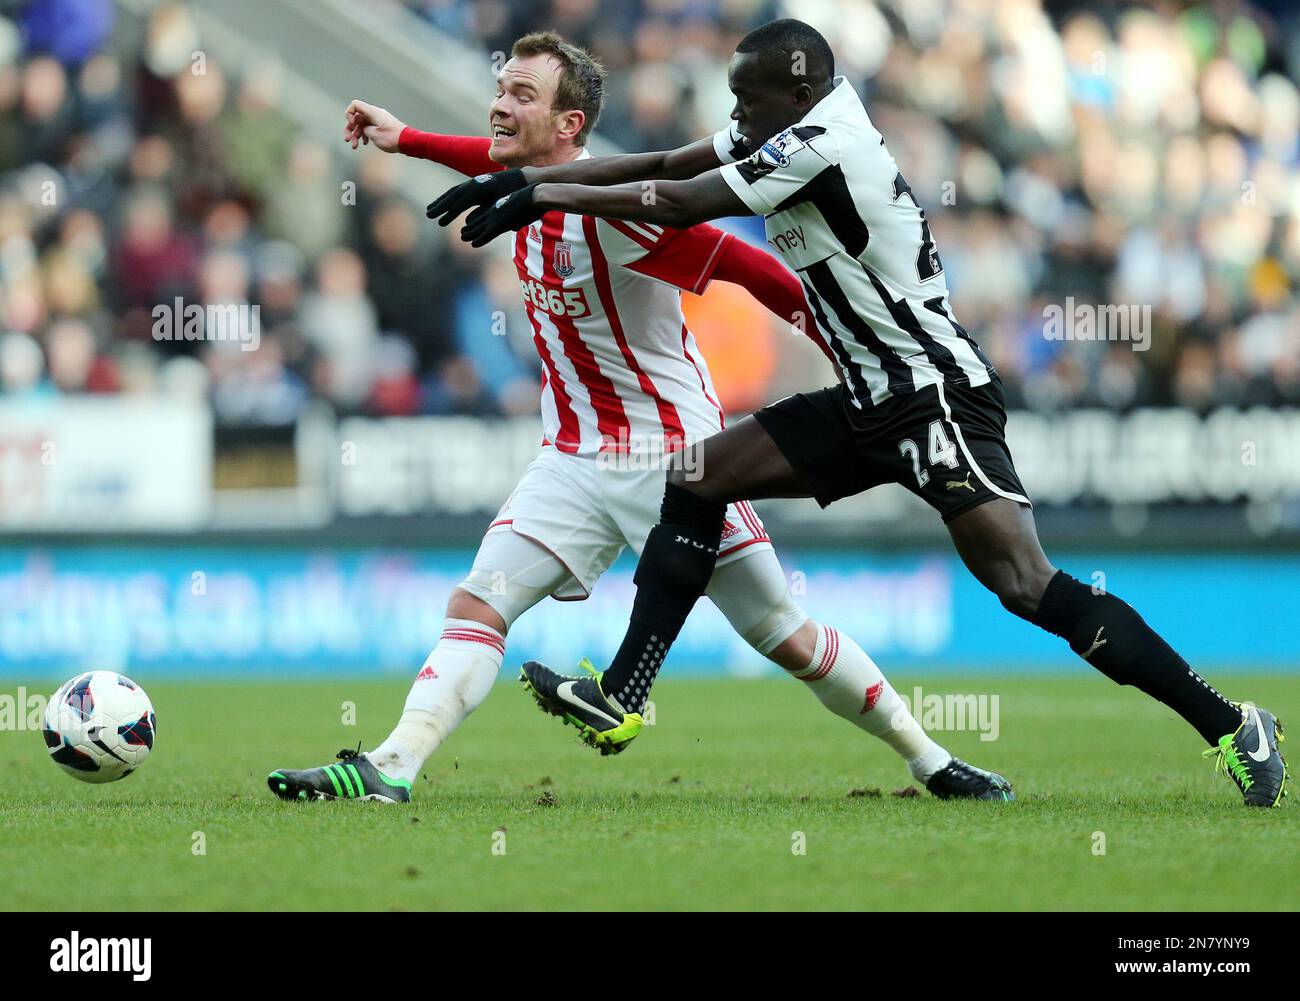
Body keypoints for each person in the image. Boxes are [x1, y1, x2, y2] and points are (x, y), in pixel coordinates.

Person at [432, 19, 1287, 807]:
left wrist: (552, 194)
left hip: (932, 394)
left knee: (1027, 586)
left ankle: (1231, 723)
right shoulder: (778, 123)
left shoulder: (822, 144)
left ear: (796, 97)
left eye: (748, 100)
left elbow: (681, 201)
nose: (736, 115)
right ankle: (623, 691)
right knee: (699, 474)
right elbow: (669, 161)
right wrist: (535, 179)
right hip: (866, 397)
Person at [267, 30, 1012, 804]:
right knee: (478, 601)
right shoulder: (526, 178)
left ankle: (931, 759)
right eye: (502, 89)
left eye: (523, 95)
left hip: (670, 455)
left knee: (784, 633)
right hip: (571, 455)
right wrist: (405, 139)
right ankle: (390, 767)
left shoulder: (618, 214)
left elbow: (745, 264)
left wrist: (842, 342)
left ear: (570, 128)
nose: (499, 103)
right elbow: (498, 167)